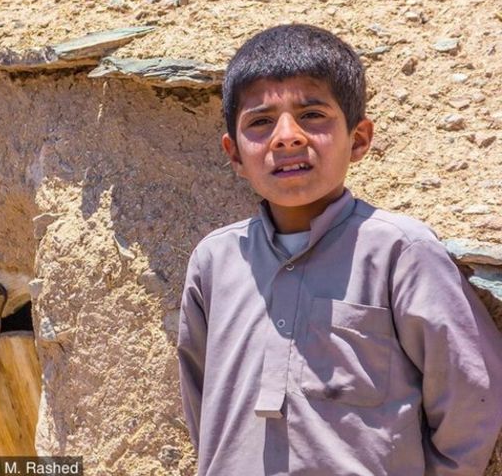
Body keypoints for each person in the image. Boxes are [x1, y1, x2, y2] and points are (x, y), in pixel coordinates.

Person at [176, 23, 502, 475]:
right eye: (260, 122)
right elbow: (201, 398)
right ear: (234, 153)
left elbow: (471, 395)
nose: (287, 136)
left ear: (359, 139)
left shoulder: (399, 253)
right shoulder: (215, 260)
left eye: (312, 115)